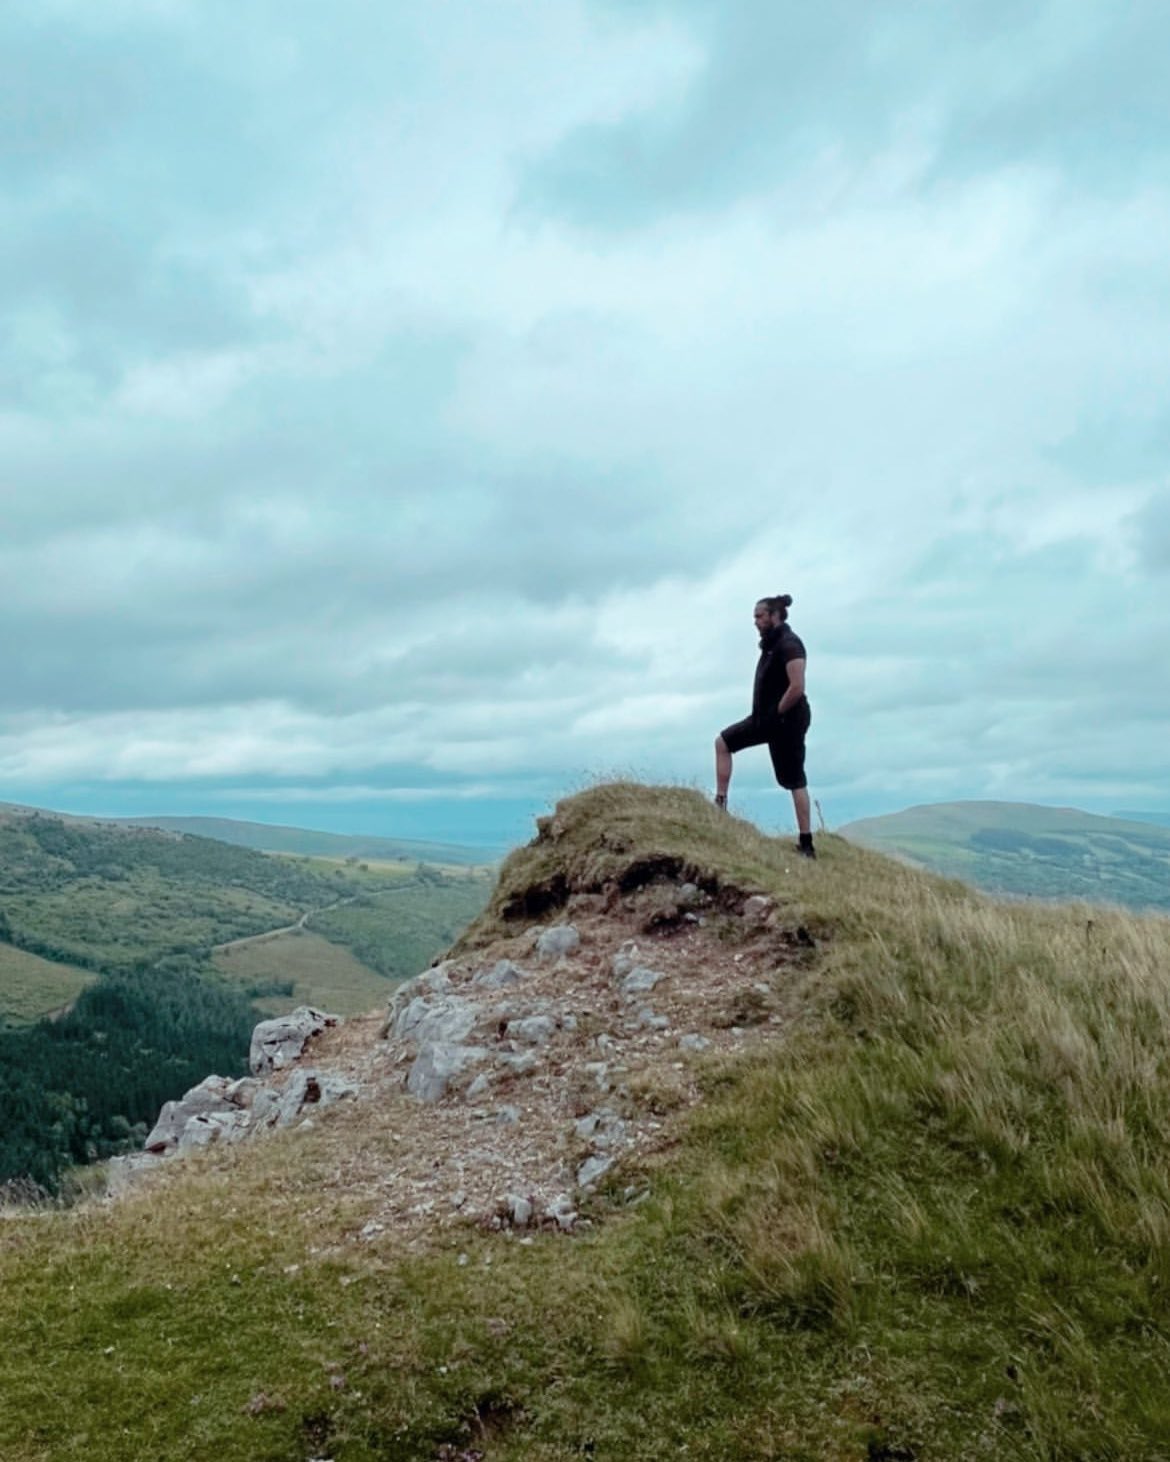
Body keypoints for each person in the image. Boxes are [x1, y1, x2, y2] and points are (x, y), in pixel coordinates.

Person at [714, 593, 816, 857]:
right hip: (766, 720)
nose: (755, 621)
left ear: (775, 616)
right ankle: (720, 804)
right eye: (755, 617)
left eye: (760, 616)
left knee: (794, 780)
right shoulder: (771, 645)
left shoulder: (790, 644)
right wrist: (768, 717)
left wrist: (777, 713)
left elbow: (797, 687)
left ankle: (806, 845)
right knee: (723, 742)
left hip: (788, 722)